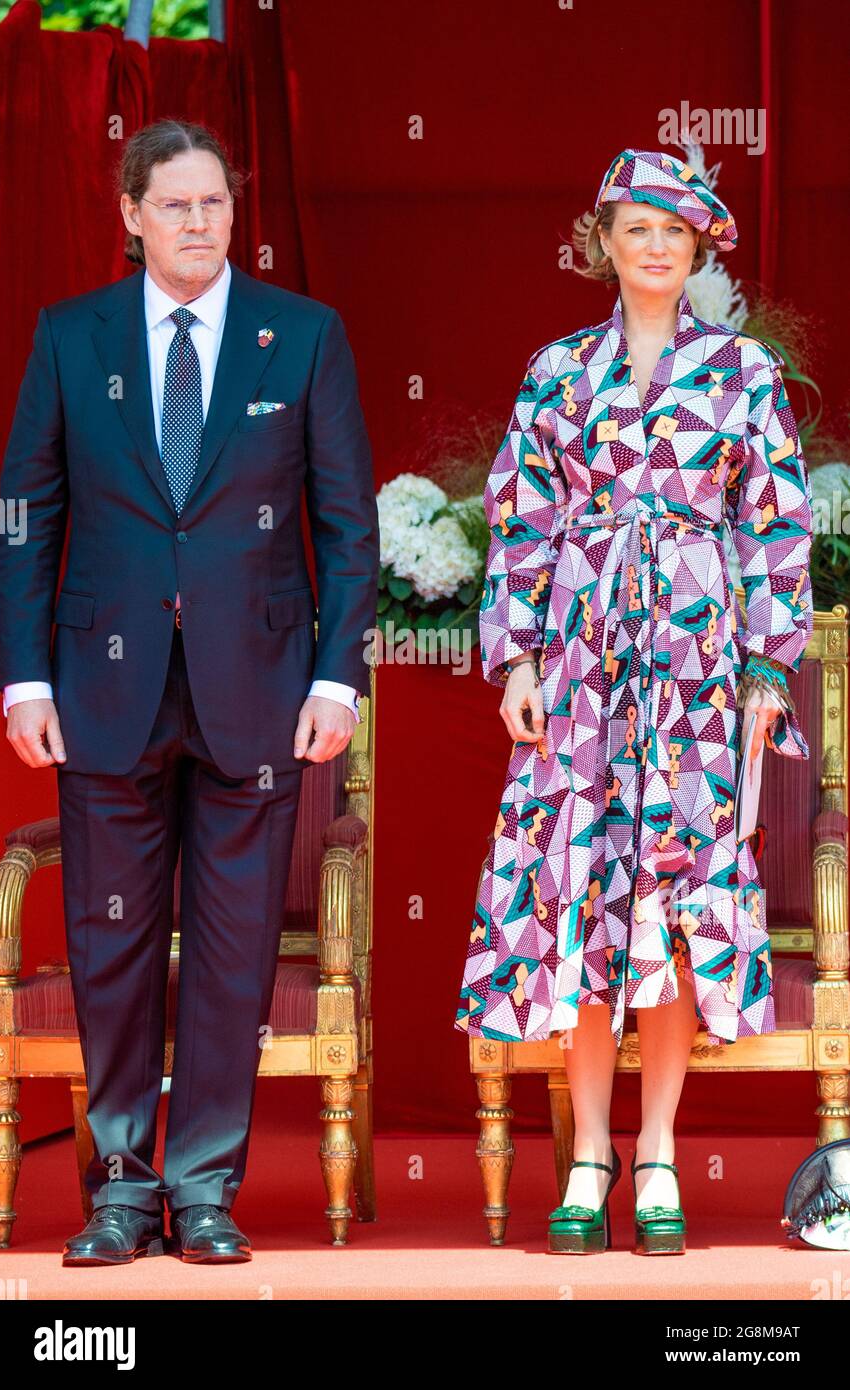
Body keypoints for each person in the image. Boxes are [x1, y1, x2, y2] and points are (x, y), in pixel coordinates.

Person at [0, 118, 379, 1265]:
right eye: (174, 204)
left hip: (256, 689)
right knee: (111, 945)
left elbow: (346, 525)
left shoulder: (301, 336)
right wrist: (24, 675)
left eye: (214, 203)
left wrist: (335, 674)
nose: (198, 223)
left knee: (230, 949)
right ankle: (119, 1190)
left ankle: (204, 1185)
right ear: (130, 213)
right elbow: (24, 521)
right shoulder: (70, 338)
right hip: (101, 689)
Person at [454, 147, 814, 1255]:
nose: (654, 247)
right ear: (600, 240)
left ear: (696, 247)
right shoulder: (556, 369)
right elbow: (516, 524)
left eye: (674, 231)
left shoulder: (742, 372)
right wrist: (514, 660)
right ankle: (588, 1152)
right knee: (582, 898)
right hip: (579, 665)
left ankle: (656, 1149)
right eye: (634, 228)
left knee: (665, 901)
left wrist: (764, 666)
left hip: (699, 674)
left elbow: (775, 528)